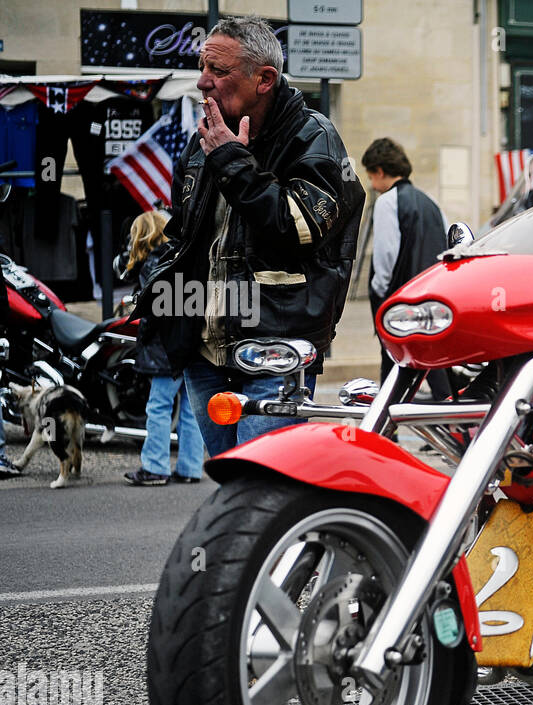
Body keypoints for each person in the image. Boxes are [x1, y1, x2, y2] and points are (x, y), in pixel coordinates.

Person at [134, 15, 365, 456]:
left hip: (275, 352)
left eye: (218, 71)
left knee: (262, 482)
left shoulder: (312, 138)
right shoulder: (202, 143)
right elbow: (185, 236)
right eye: (202, 68)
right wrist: (159, 295)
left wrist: (234, 161)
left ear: (264, 79)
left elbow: (297, 228)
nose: (203, 83)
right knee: (229, 482)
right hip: (204, 352)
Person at [119, 210, 205, 486]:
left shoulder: (152, 264)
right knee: (190, 409)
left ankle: (155, 467)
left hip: (162, 348)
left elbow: (153, 312)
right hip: (189, 343)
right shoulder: (183, 255)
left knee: (158, 407)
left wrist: (143, 336)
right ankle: (191, 467)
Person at [361, 137, 449, 392]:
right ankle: (457, 426)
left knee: (393, 371)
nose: (372, 184)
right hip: (433, 299)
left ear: (379, 171)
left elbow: (385, 255)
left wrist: (379, 292)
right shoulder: (430, 201)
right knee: (436, 372)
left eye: (370, 176)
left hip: (401, 303)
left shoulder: (388, 202)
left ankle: (388, 430)